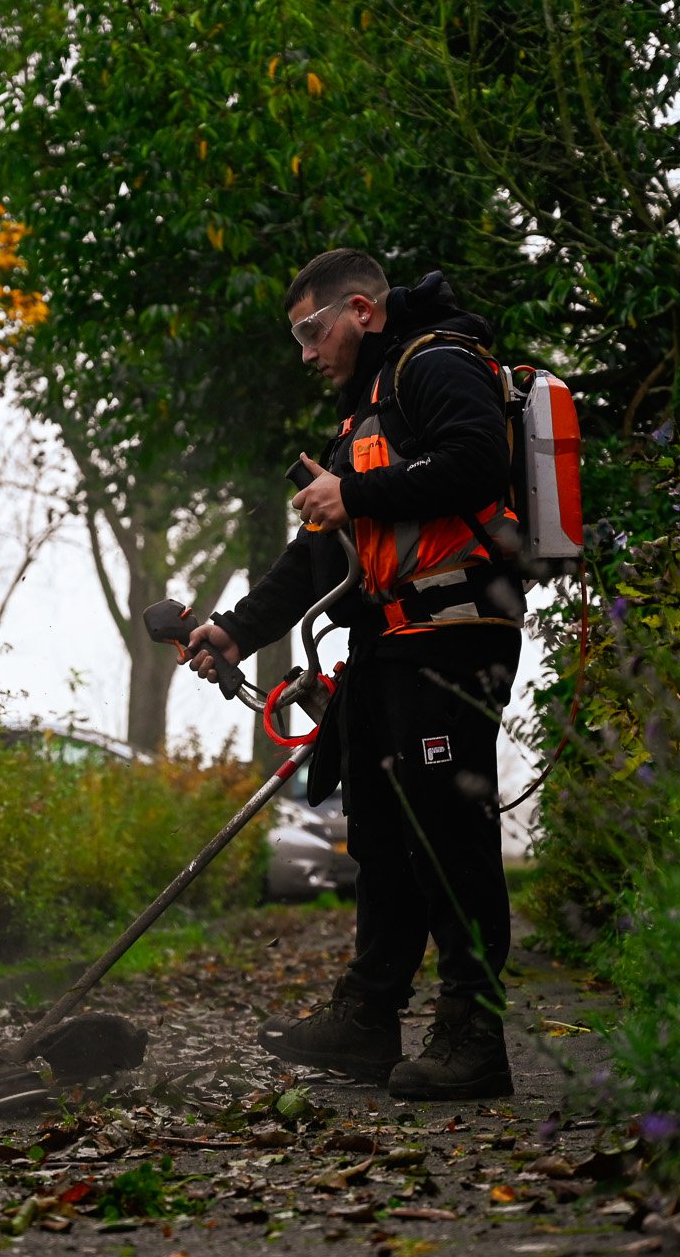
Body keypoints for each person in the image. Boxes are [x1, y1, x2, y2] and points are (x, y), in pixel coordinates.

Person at [183, 249, 524, 1100]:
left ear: (362, 311)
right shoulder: (361, 415)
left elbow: (479, 459)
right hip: (386, 643)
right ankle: (370, 1020)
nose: (305, 351)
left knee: (448, 833)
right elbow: (314, 556)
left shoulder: (435, 363)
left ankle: (474, 1036)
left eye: (312, 329)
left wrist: (359, 497)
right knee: (378, 834)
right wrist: (232, 629)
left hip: (452, 632)